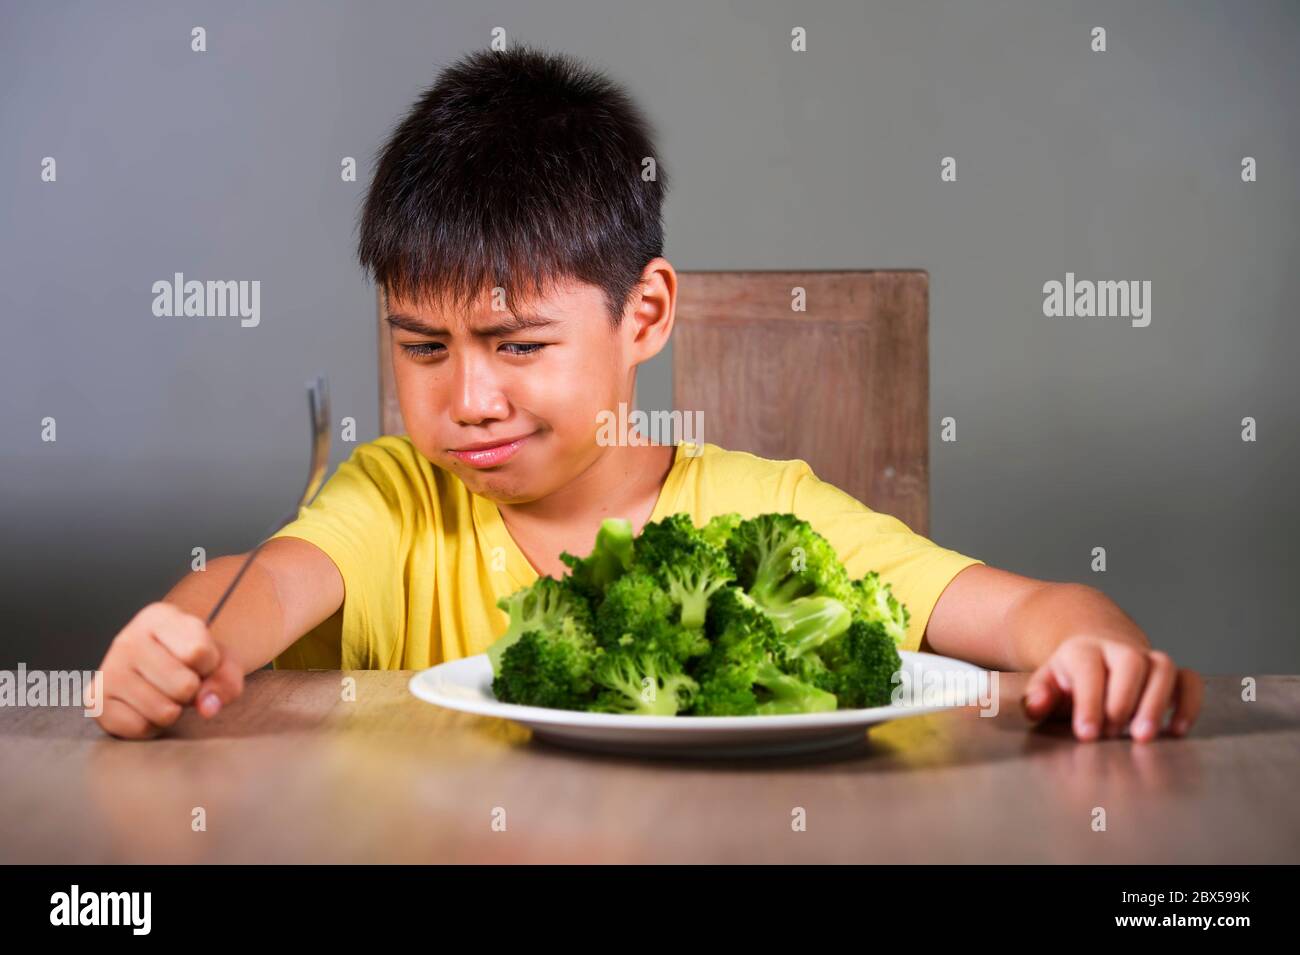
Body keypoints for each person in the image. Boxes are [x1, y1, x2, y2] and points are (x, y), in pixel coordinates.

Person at [92, 45, 1202, 743]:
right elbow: (257, 590)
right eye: (422, 348)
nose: (467, 397)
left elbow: (1034, 613)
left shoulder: (768, 519)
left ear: (647, 316)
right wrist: (182, 641)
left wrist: (1090, 653)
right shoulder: (391, 502)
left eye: (518, 344)